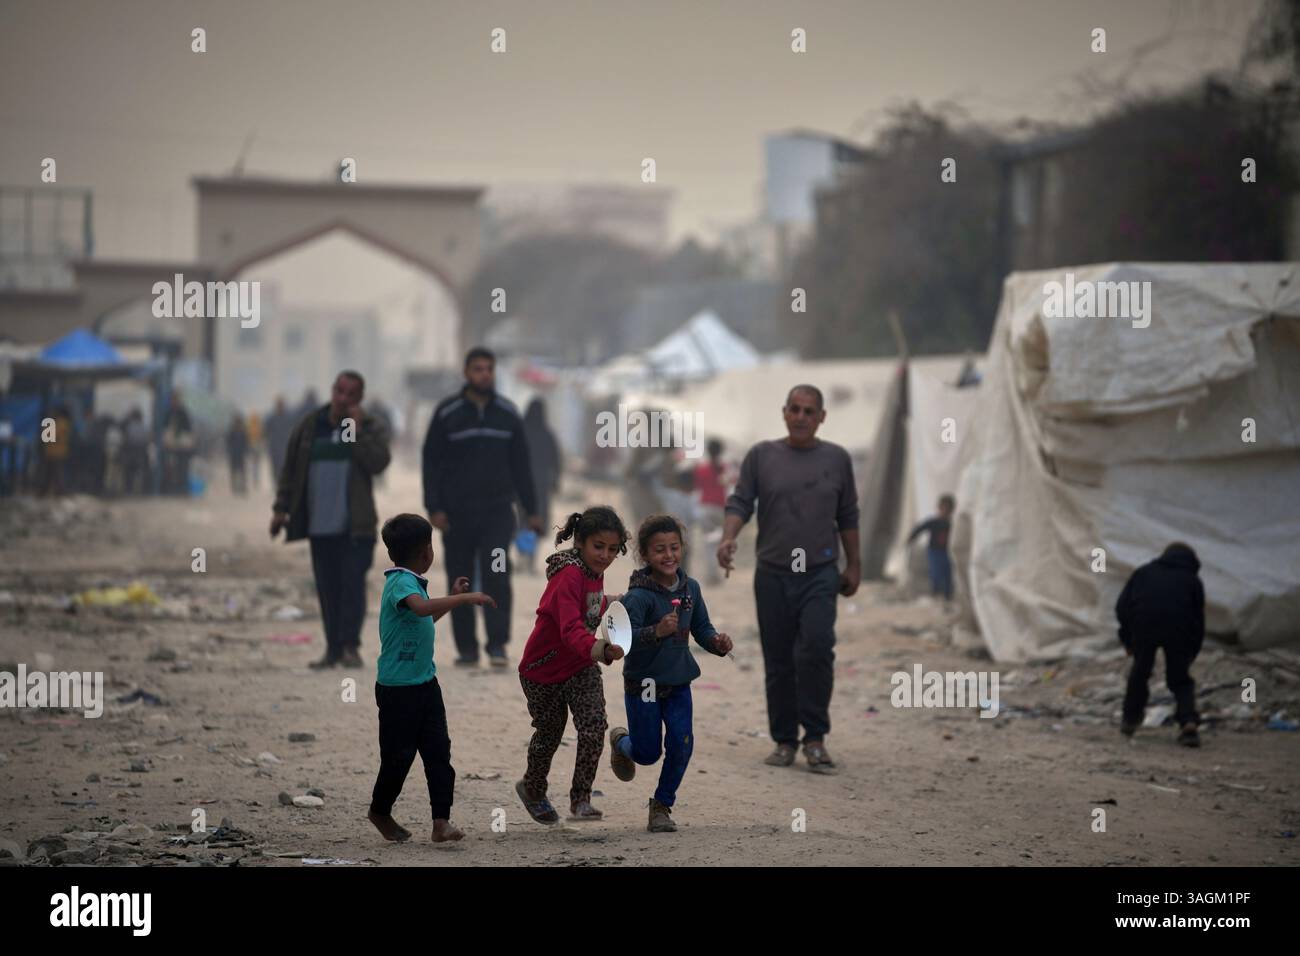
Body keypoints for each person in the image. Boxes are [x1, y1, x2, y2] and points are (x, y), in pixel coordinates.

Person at [717, 384, 860, 774]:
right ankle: (784, 741)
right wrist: (729, 537)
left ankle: (814, 738)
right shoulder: (762, 456)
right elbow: (741, 501)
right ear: (784, 413)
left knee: (816, 648)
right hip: (774, 573)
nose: (800, 417)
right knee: (778, 659)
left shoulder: (836, 459)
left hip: (818, 573)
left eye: (809, 411)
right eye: (794, 409)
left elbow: (848, 515)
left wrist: (855, 565)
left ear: (821, 418)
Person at [368, 513, 496, 845]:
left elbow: (424, 618)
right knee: (398, 759)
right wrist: (465, 598)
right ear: (427, 551)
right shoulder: (399, 582)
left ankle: (441, 821)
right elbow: (421, 609)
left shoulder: (412, 583)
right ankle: (379, 811)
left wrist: (451, 600)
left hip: (426, 685)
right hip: (397, 690)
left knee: (439, 753)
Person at [609, 514, 733, 832]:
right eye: (660, 549)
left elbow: (702, 628)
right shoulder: (638, 596)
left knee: (681, 743)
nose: (668, 556)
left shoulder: (691, 589)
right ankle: (622, 742)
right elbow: (623, 640)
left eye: (674, 547)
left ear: (682, 549)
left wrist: (717, 643)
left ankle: (662, 806)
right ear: (646, 555)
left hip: (678, 682)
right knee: (648, 753)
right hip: (644, 683)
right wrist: (656, 632)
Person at [422, 347, 541, 668]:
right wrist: (434, 506)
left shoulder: (507, 414)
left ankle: (497, 645)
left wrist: (532, 510)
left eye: (489, 369)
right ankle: (467, 649)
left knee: (497, 575)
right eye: (478, 369)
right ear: (466, 372)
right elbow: (430, 462)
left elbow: (522, 467)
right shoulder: (447, 414)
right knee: (460, 580)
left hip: (497, 514)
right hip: (456, 514)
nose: (484, 374)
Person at [270, 371, 392, 669]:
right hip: (319, 525)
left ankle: (350, 646)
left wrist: (357, 430)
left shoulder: (371, 426)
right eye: (339, 391)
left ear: (359, 399)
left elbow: (378, 463)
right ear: (332, 390)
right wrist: (280, 509)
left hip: (356, 526)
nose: (342, 398)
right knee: (328, 589)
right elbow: (291, 469)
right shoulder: (312, 425)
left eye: (350, 394)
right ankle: (332, 649)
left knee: (352, 585)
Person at [514, 506, 628, 825]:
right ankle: (533, 789)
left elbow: (591, 605)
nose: (605, 555)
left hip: (579, 665)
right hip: (543, 670)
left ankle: (581, 800)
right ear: (580, 542)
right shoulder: (570, 574)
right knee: (549, 733)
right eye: (598, 547)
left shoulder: (594, 572)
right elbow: (570, 628)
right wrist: (599, 648)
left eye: (612, 549)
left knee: (594, 727)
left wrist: (620, 600)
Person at [1116, 542, 1206, 747]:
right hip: (1179, 628)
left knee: (1140, 673)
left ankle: (1130, 719)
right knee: (1180, 679)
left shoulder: (1143, 573)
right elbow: (1198, 620)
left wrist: (1127, 639)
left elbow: (1122, 607)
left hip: (1144, 625)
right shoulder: (1192, 580)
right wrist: (1193, 649)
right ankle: (1188, 722)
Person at [521, 397, 562, 573]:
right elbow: (557, 461)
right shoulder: (547, 435)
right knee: (536, 521)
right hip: (540, 486)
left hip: (521, 484)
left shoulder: (520, 432)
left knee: (522, 521)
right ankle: (529, 559)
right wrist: (555, 481)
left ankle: (523, 555)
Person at [693, 438, 732, 585]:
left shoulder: (701, 469)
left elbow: (696, 486)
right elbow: (730, 483)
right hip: (721, 509)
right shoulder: (724, 468)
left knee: (708, 543)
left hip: (705, 508)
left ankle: (711, 574)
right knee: (719, 542)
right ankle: (716, 572)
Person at [906, 494, 956, 600]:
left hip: (946, 552)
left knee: (947, 574)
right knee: (936, 573)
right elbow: (920, 528)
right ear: (939, 508)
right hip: (934, 552)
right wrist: (911, 538)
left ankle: (947, 596)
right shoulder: (934, 522)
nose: (945, 511)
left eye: (948, 509)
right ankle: (935, 593)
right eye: (943, 508)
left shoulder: (951, 524)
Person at [40, 404, 72, 496]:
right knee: (50, 473)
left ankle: (59, 491)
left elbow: (48, 436)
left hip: (56, 452)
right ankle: (47, 490)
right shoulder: (60, 423)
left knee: (56, 473)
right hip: (54, 452)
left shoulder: (61, 423)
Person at [264, 396, 295, 487]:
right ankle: (277, 484)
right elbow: (266, 432)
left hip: (285, 447)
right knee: (275, 468)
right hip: (274, 448)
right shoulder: (271, 418)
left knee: (285, 467)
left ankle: (283, 484)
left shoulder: (289, 418)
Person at [121, 408, 150, 495]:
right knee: (140, 471)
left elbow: (126, 439)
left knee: (128, 471)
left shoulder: (130, 426)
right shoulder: (144, 427)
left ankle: (128, 490)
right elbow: (147, 440)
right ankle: (142, 490)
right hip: (141, 454)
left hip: (132, 454)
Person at [226, 412, 249, 496]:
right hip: (234, 454)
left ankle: (242, 487)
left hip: (240, 454)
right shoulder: (232, 431)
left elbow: (246, 442)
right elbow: (228, 442)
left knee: (241, 471)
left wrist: (246, 451)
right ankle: (235, 487)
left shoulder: (242, 431)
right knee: (235, 472)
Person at [244, 410, 264, 490]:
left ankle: (255, 479)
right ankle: (256, 479)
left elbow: (247, 436)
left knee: (254, 464)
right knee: (257, 464)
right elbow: (262, 435)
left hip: (252, 446)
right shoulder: (258, 425)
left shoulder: (249, 425)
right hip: (257, 446)